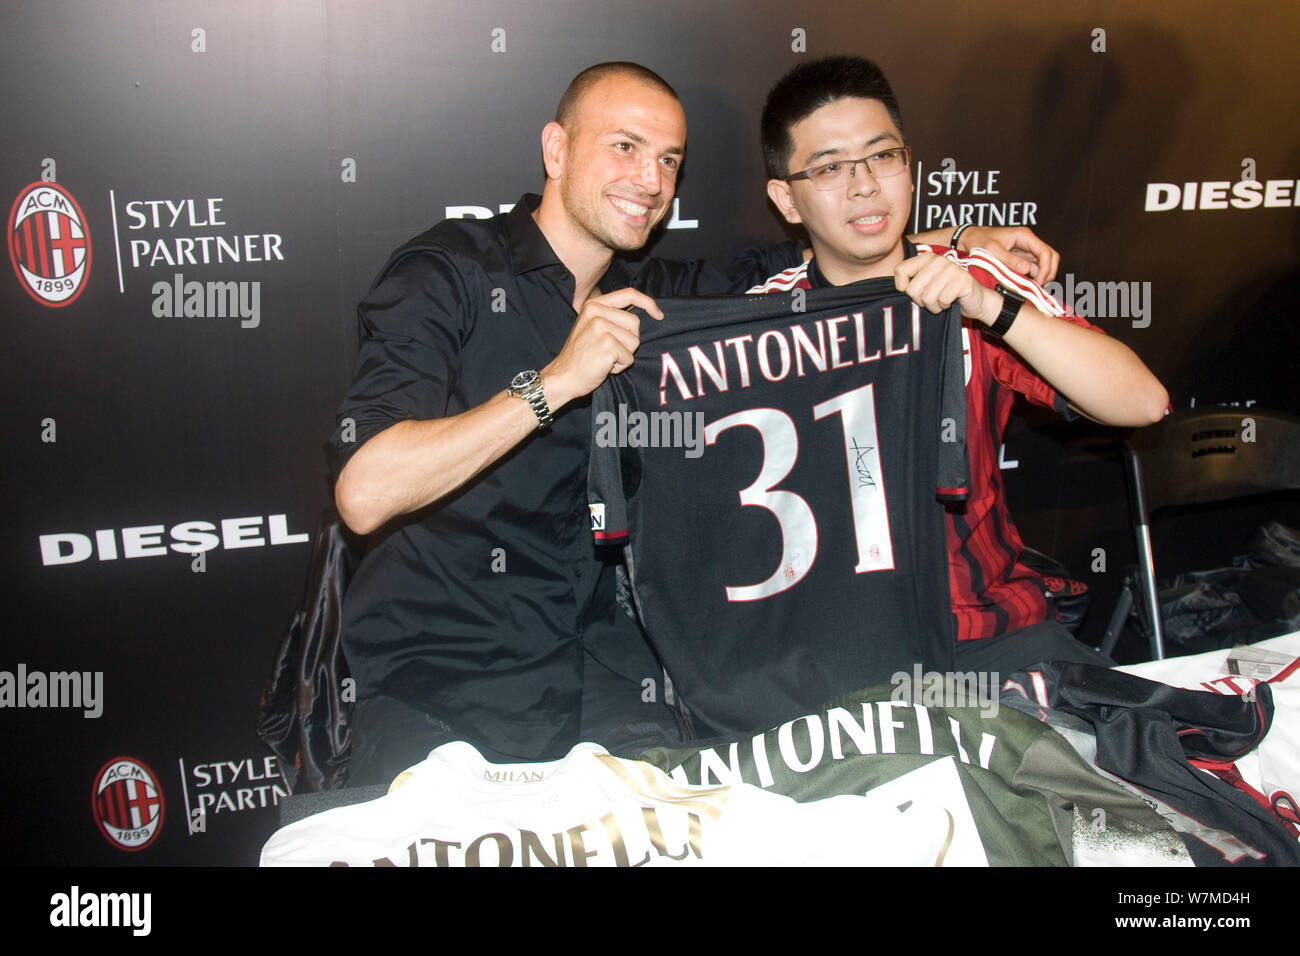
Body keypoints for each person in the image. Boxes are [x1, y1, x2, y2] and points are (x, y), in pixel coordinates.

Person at [329, 60, 1068, 785]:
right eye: (625, 146)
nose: (650, 181)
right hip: (440, 664)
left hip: (597, 658)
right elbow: (365, 492)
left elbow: (836, 250)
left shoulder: (653, 293)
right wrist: (556, 382)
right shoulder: (449, 274)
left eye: (669, 160)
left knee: (697, 819)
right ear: (556, 149)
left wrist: (963, 240)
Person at [751, 56, 1170, 673]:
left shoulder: (977, 282)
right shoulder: (764, 318)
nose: (864, 184)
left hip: (989, 630)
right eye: (830, 168)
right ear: (787, 199)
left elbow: (1143, 401)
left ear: (909, 165)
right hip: (832, 647)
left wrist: (988, 306)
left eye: (882, 156)